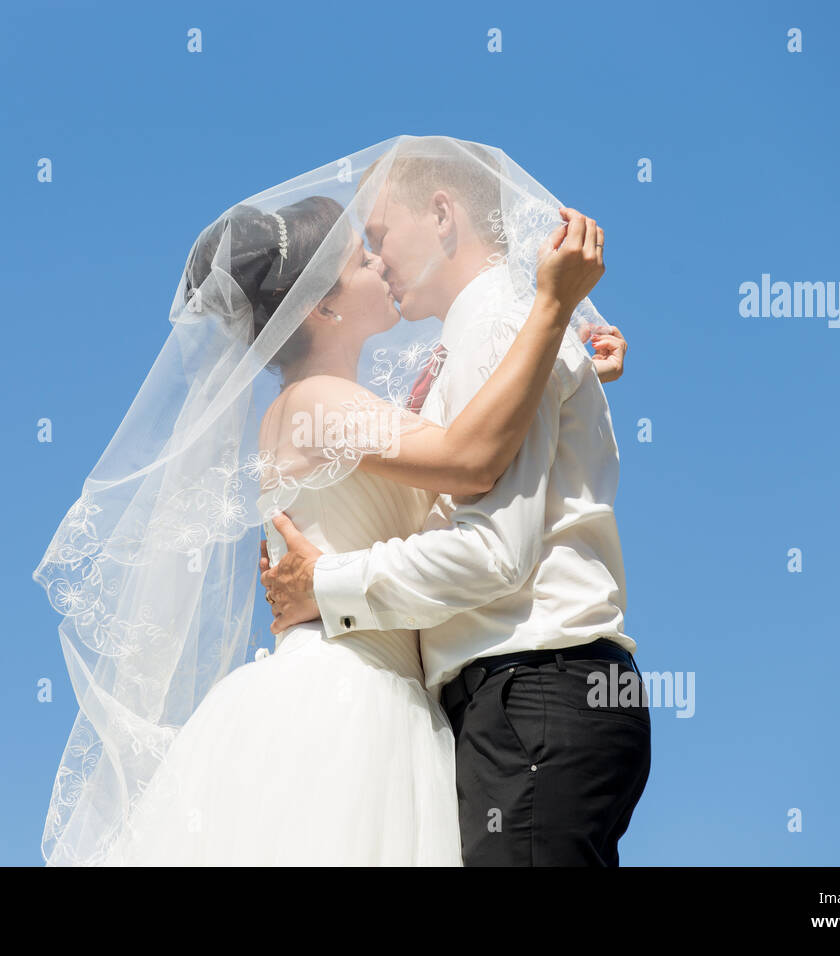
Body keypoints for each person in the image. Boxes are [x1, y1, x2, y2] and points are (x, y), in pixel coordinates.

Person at [33, 135, 622, 865]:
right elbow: (466, 457)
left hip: (391, 688)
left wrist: (561, 362)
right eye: (359, 259)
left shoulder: (343, 407)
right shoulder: (321, 406)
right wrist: (549, 320)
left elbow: (475, 428)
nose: (379, 263)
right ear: (323, 310)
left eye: (374, 244)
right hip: (351, 697)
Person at [261, 136, 650, 866]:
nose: (375, 260)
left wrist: (324, 585)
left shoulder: (503, 325)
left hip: (531, 680)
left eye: (377, 236)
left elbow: (494, 554)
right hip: (521, 692)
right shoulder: (506, 327)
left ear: (442, 216)